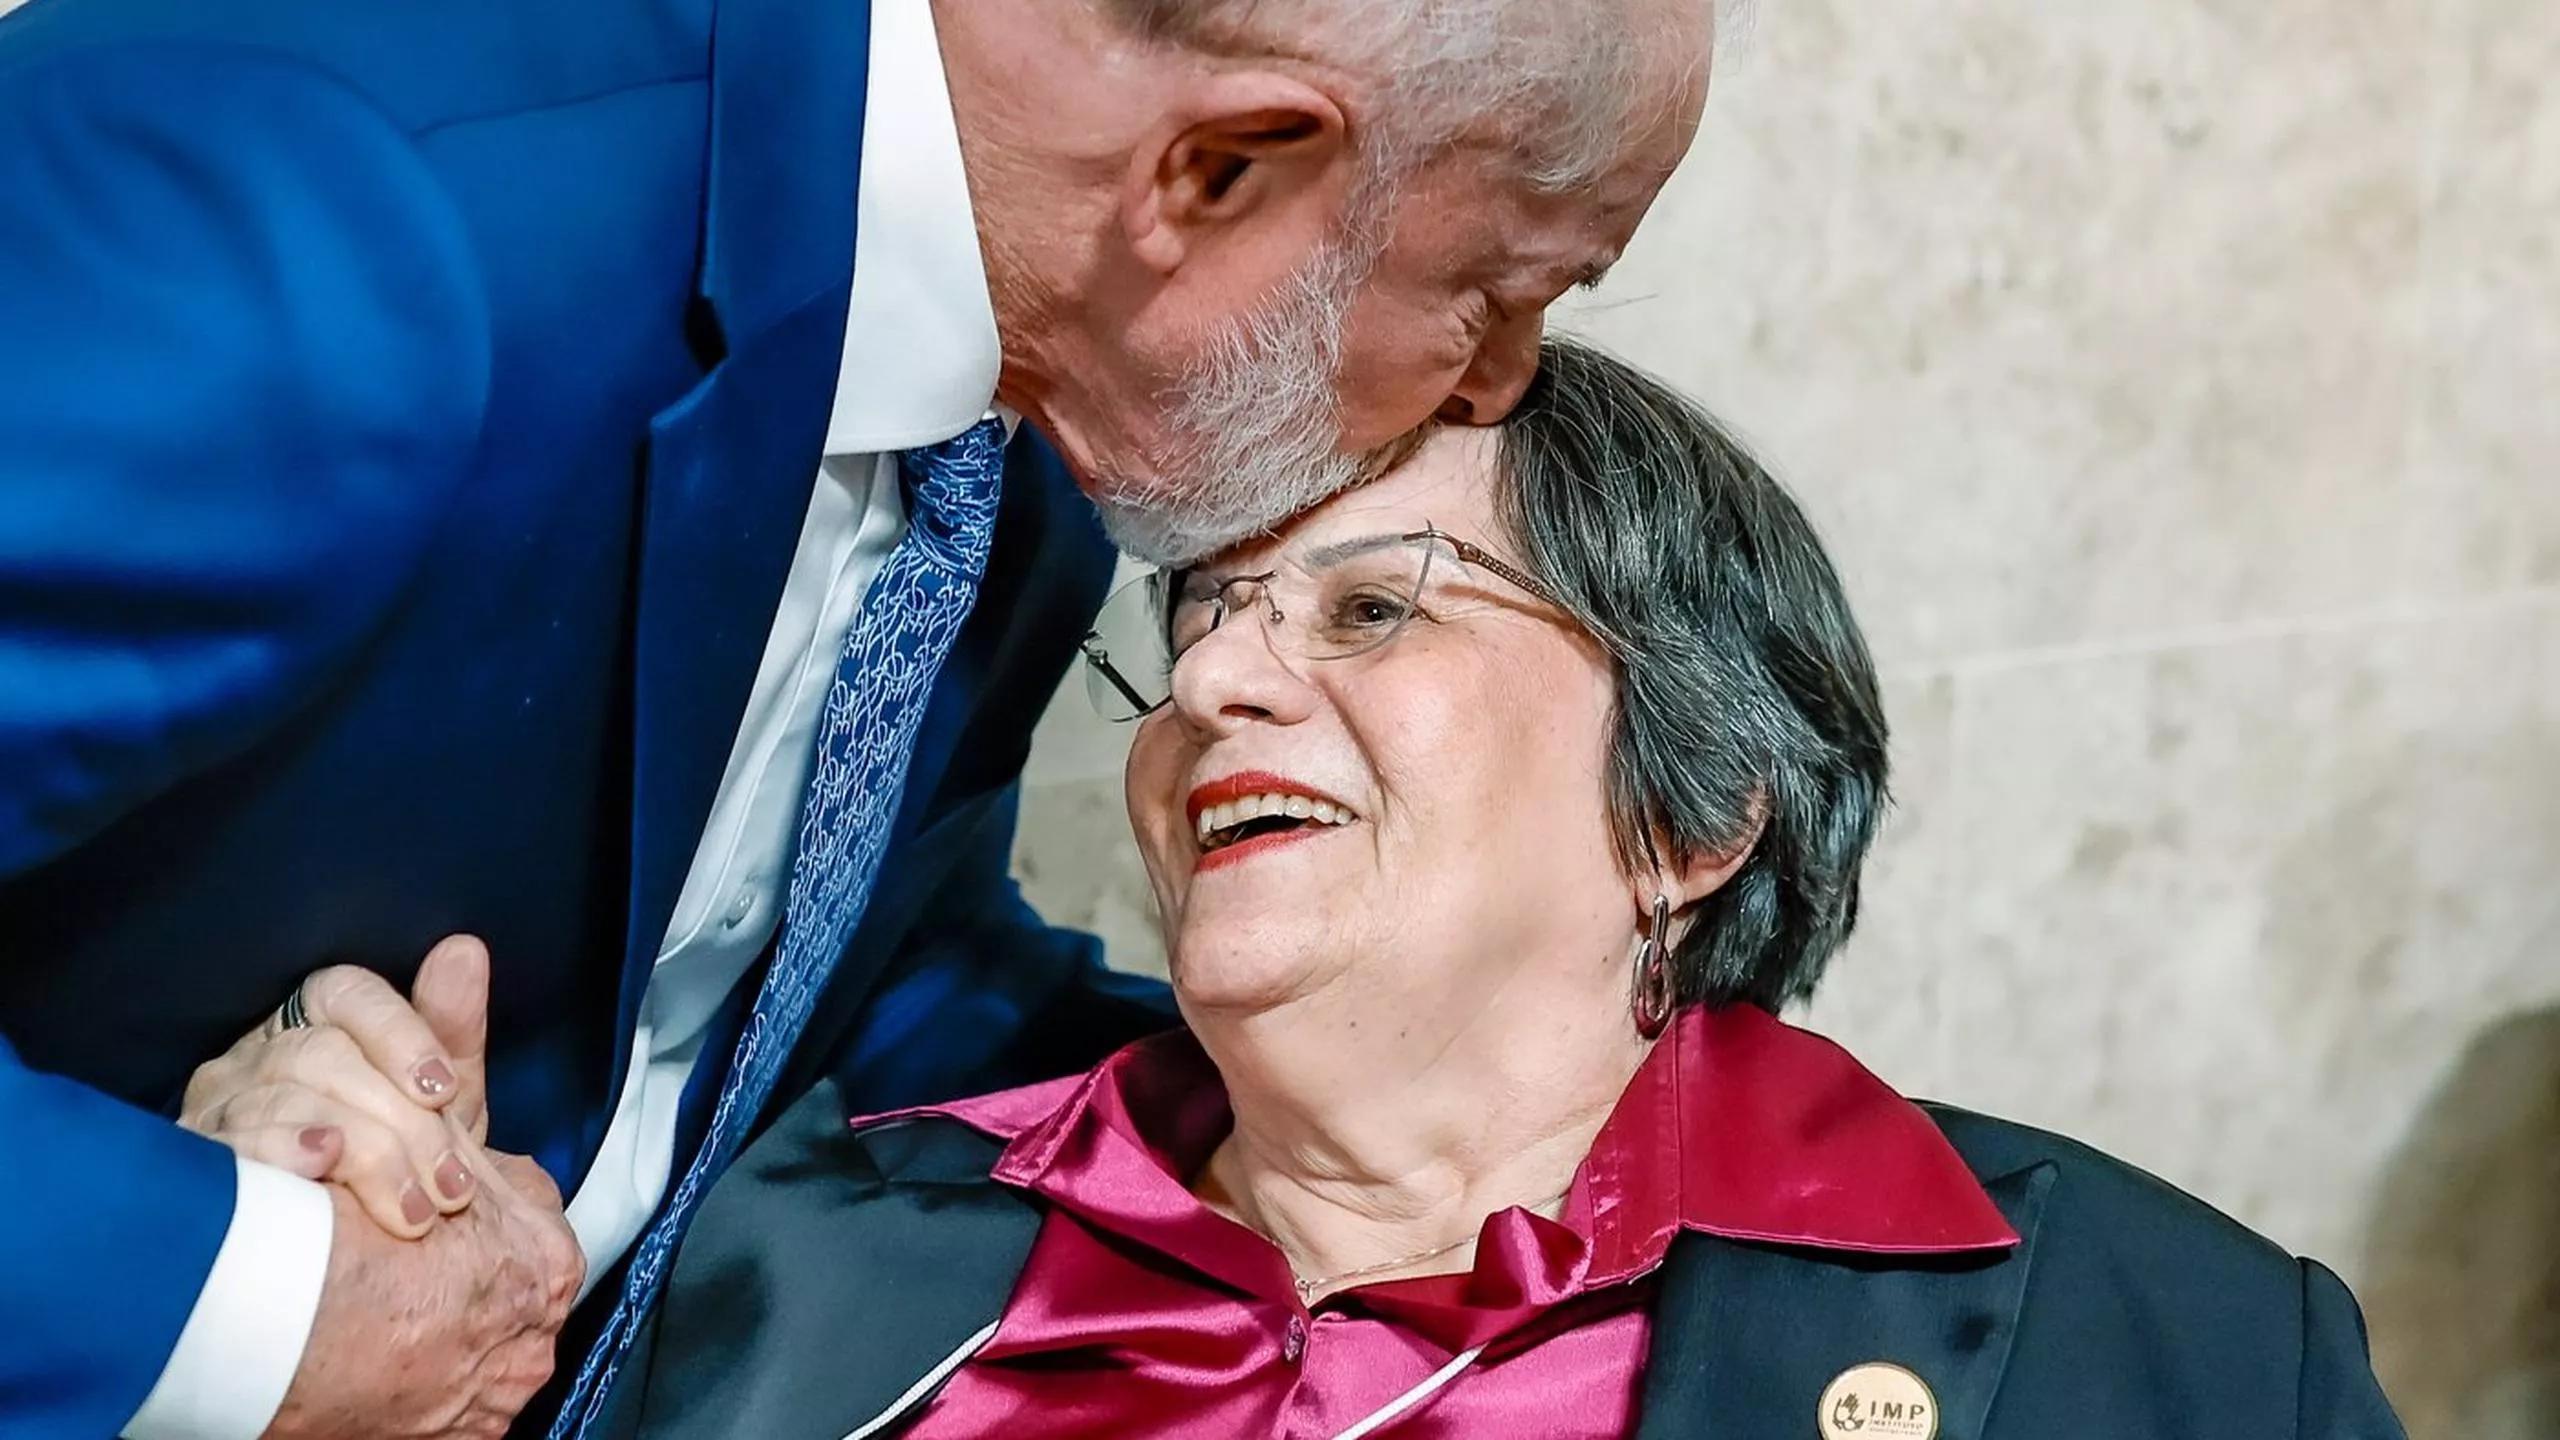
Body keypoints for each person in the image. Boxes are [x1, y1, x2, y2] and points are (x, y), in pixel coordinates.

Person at [0, 0, 1711, 1432]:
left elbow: (837, 978)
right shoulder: (325, 205)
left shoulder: (1022, 468)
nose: (1498, 383)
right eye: (1501, 289)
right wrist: (255, 1299)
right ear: (1217, 170)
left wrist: (1449, 1128)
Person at [528, 340, 2399, 1436]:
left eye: (1369, 608)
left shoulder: (2173, 1349)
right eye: (1195, 625)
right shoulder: (801, 1243)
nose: (1210, 684)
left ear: (1691, 819)